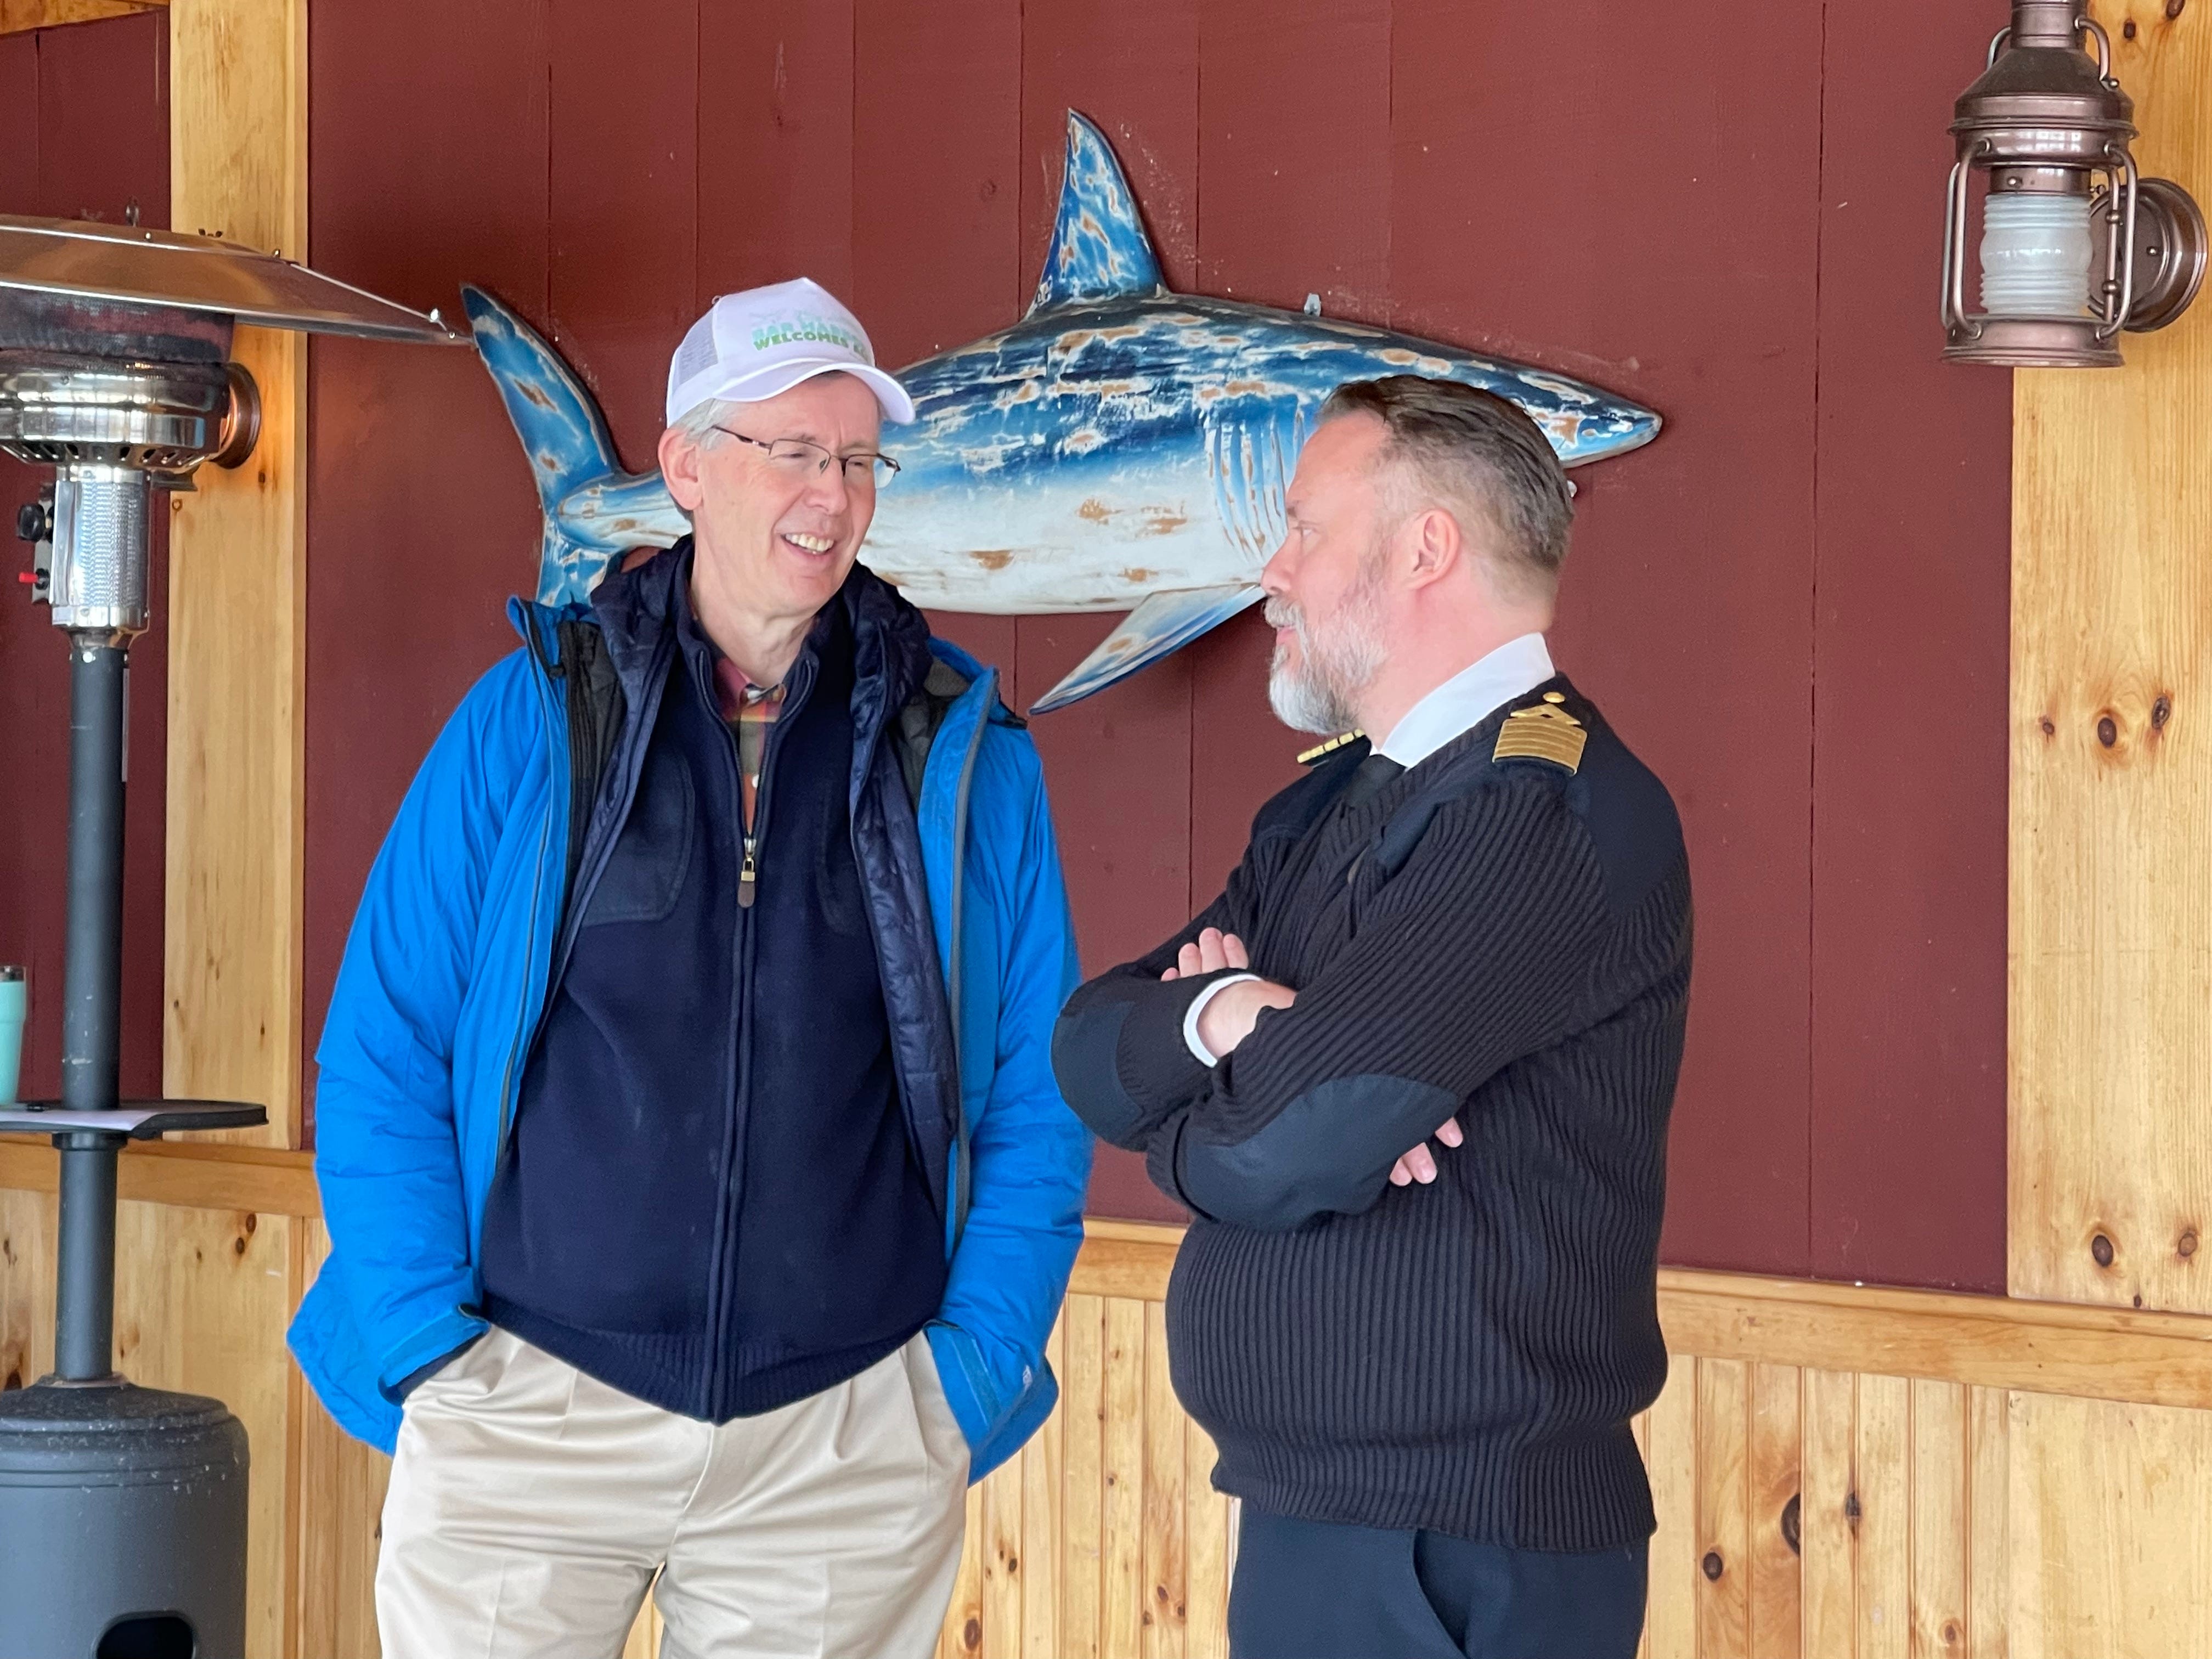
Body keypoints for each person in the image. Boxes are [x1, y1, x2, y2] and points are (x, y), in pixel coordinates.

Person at [289, 278, 1092, 1658]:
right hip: (529, 1416)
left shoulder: (956, 749)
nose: (829, 497)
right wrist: (431, 1346)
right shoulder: (534, 715)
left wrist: (962, 1379)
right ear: (686, 467)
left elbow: (1041, 1088)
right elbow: (387, 1044)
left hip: (839, 1445)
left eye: (854, 461)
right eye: (791, 452)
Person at [1052, 375, 1691, 1659]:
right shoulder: (1328, 805)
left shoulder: (1539, 810)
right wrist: (1230, 1018)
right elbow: (1085, 1051)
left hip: (1456, 1552)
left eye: (1302, 529)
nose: (1271, 570)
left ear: (1424, 549)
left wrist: (1213, 1110)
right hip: (1329, 1527)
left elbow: (1297, 1142)